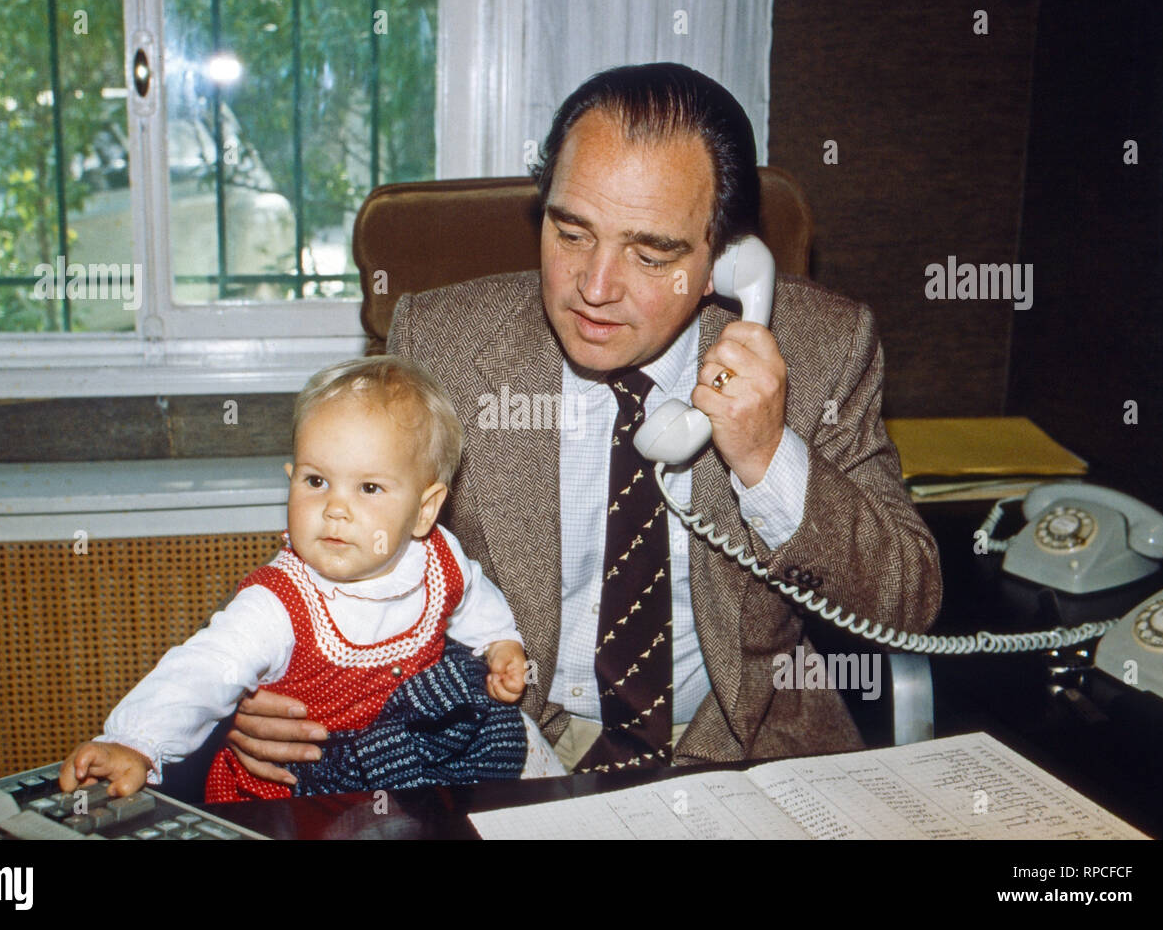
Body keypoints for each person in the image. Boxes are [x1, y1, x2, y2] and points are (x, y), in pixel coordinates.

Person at [227, 62, 943, 778]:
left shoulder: (823, 347)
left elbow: (908, 604)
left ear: (725, 261)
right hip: (501, 743)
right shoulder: (437, 344)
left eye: (651, 251)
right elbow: (328, 560)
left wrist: (766, 456)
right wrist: (269, 679)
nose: (594, 289)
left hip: (744, 749)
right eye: (571, 233)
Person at [60, 356, 561, 801]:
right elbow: (204, 670)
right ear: (290, 476)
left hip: (415, 760)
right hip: (304, 788)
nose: (335, 509)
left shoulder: (438, 557)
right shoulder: (279, 603)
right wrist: (135, 743)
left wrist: (498, 642)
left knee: (505, 734)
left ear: (425, 509)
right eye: (316, 481)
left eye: (369, 487)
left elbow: (472, 595)